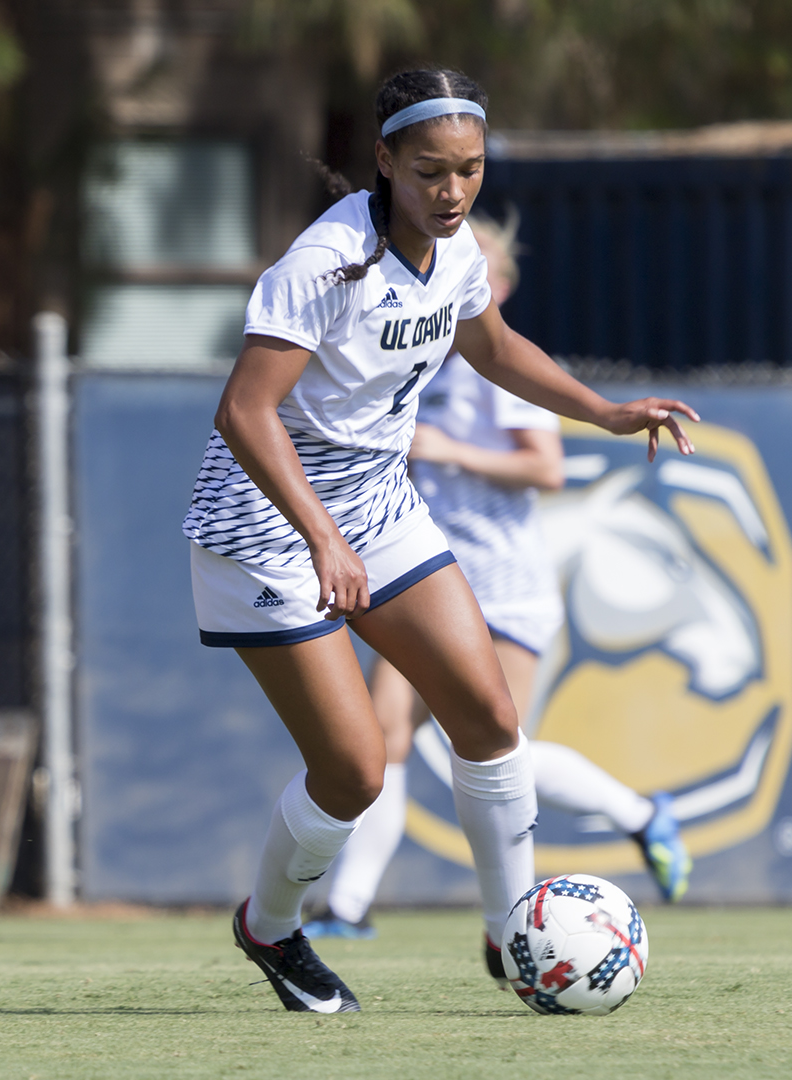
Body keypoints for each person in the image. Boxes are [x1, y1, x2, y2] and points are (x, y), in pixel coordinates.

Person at [182, 67, 697, 1013]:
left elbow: (493, 348)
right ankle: (271, 925)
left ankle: (513, 936)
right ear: (384, 161)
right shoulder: (327, 262)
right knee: (355, 772)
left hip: (375, 508)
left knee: (491, 721)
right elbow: (244, 412)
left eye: (470, 169)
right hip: (266, 527)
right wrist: (321, 538)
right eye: (429, 171)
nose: (452, 191)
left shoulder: (454, 252)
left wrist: (605, 412)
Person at [304, 215, 690, 944]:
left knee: (498, 749)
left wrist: (451, 450)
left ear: (493, 286)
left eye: (462, 258)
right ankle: (347, 909)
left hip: (504, 590)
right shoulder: (418, 360)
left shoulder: (495, 370)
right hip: (423, 579)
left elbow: (546, 467)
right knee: (383, 734)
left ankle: (632, 823)